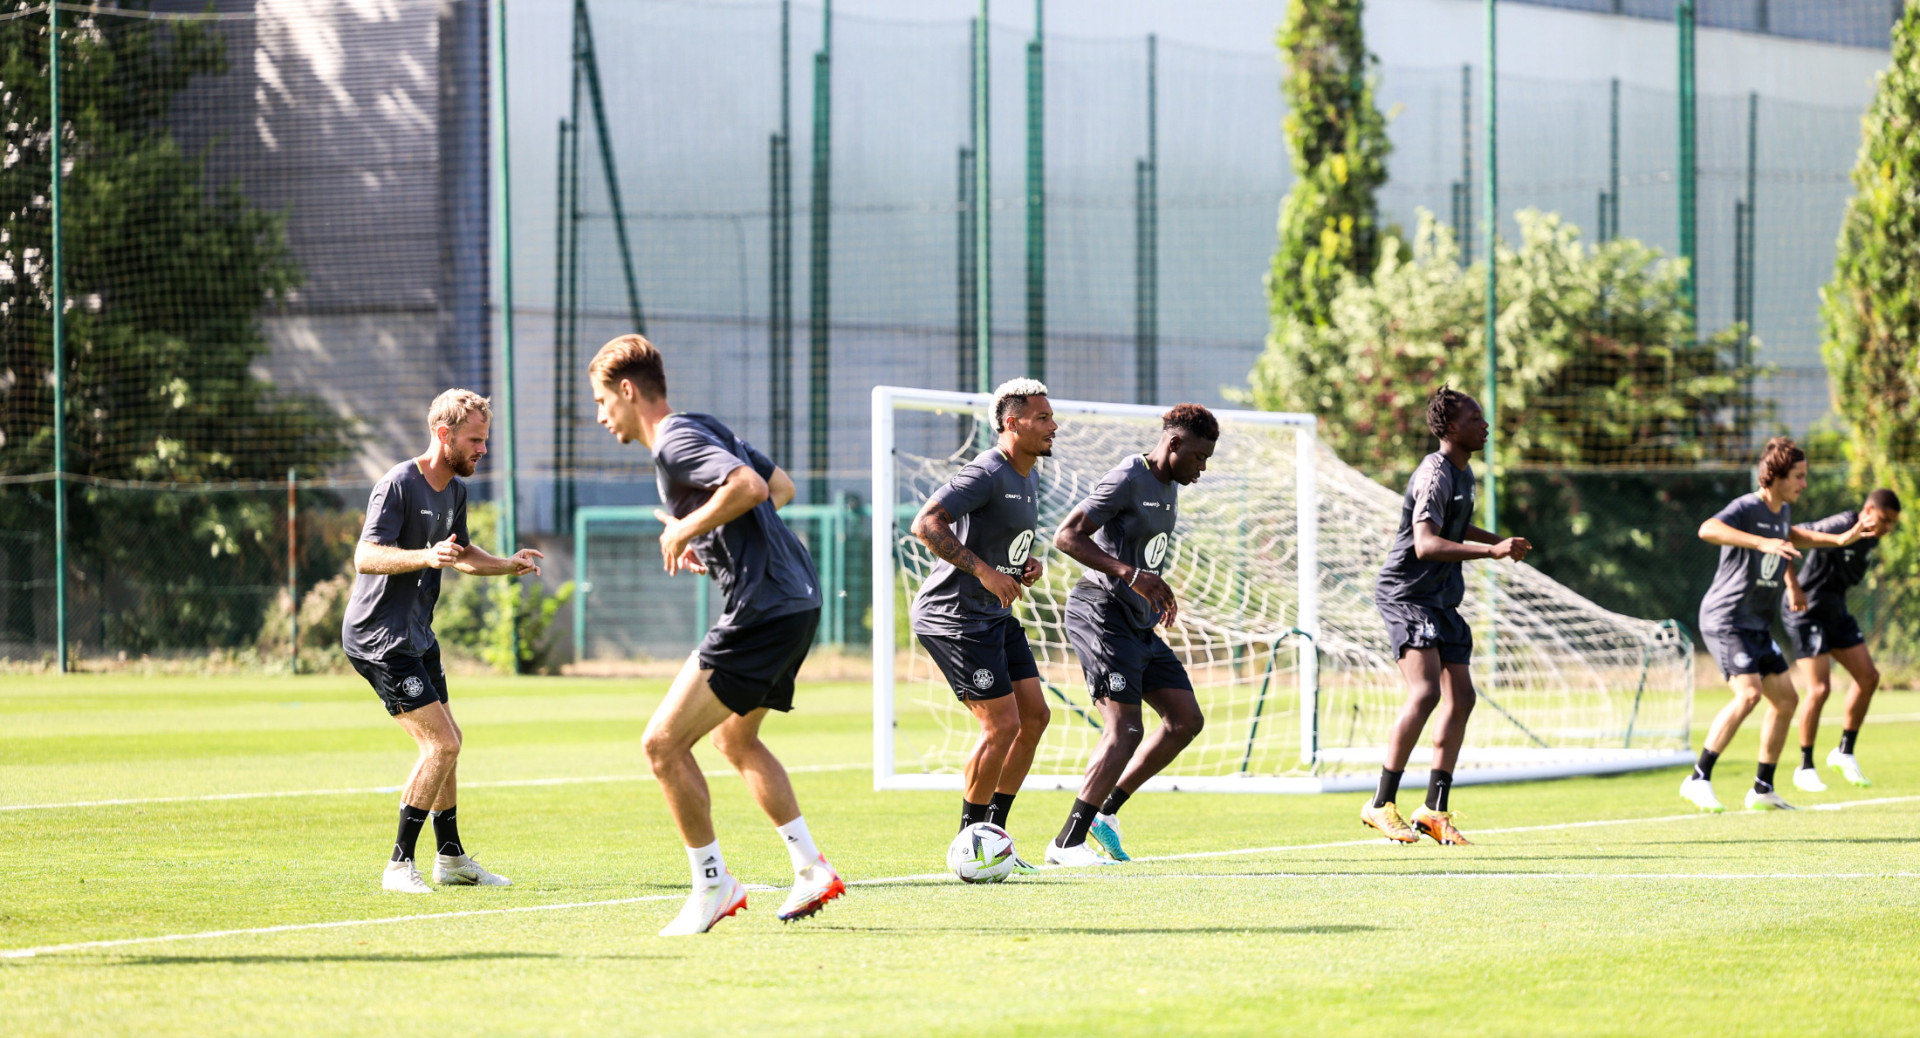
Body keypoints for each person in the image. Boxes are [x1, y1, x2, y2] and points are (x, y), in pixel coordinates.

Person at [588, 333, 843, 936]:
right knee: (734, 740)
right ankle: (809, 867)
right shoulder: (701, 425)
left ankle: (713, 885)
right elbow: (782, 488)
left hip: (764, 608)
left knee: (661, 745)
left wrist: (685, 529)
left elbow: (753, 490)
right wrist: (719, 538)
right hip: (797, 599)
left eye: (602, 401)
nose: (601, 416)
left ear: (628, 392)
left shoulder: (676, 440)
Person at [342, 389, 544, 894]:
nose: (482, 450)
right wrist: (424, 557)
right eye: (475, 440)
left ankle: (451, 858)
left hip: (417, 635)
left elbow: (461, 552)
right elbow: (366, 556)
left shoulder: (454, 489)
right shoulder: (398, 484)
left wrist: (506, 565)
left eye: (485, 440)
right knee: (442, 743)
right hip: (379, 637)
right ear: (443, 433)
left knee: (449, 745)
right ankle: (397, 865)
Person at [1046, 404, 1218, 865]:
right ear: (1174, 443)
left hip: (1137, 621)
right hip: (1100, 612)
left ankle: (1106, 812)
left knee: (1185, 721)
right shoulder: (1128, 476)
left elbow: (1143, 553)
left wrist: (1156, 589)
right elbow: (1067, 536)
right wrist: (1131, 575)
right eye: (1200, 457)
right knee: (1125, 729)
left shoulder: (1168, 484)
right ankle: (1067, 843)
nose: (1203, 468)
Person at [1360, 386, 1531, 846]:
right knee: (1426, 692)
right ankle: (1380, 803)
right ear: (1451, 427)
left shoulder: (1464, 471)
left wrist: (1497, 539)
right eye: (1476, 418)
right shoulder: (1435, 474)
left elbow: (1453, 527)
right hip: (1406, 595)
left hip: (1441, 598)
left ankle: (1434, 810)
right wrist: (1491, 551)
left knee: (1463, 697)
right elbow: (1426, 544)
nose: (1485, 424)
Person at [909, 378, 1055, 869]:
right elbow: (926, 523)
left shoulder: (1029, 474)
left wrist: (1023, 565)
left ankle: (994, 836)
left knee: (1034, 717)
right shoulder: (986, 471)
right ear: (1011, 423)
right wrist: (987, 573)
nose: (1053, 426)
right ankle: (969, 844)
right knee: (1002, 725)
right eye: (1042, 418)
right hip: (954, 616)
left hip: (991, 614)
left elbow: (1000, 541)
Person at [1682, 437, 1866, 812]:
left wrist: (1837, 539)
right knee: (1749, 694)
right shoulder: (1749, 506)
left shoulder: (1781, 513)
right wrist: (1760, 543)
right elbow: (1707, 529)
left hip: (1755, 624)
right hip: (1726, 617)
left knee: (1786, 699)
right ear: (1776, 476)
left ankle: (1762, 788)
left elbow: (1793, 535)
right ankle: (1698, 778)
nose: (1804, 484)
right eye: (1798, 476)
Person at [1780, 489, 1899, 791]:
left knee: (1869, 677)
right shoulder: (1843, 523)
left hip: (1835, 612)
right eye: (1884, 520)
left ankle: (1844, 752)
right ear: (1868, 510)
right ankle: (1805, 766)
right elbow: (1786, 537)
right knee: (1819, 689)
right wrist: (1792, 585)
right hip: (1806, 610)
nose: (1888, 528)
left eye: (1892, 523)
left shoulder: (1872, 539)